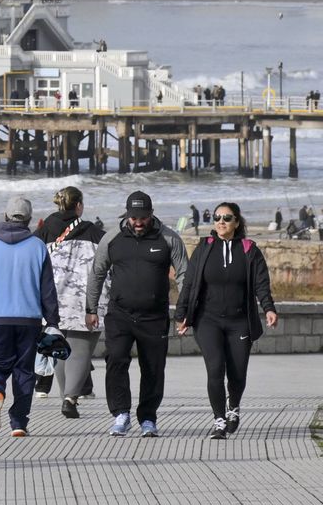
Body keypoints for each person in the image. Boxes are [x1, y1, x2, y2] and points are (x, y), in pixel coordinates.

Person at [86, 191, 187, 438]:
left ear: (151, 215)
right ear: (127, 215)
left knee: (153, 368)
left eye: (143, 217)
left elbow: (185, 275)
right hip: (119, 314)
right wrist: (91, 309)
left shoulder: (169, 238)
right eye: (134, 217)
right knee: (116, 360)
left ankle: (148, 418)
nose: (138, 222)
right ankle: (121, 413)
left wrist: (185, 311)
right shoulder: (112, 238)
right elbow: (97, 273)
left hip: (154, 317)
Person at [175, 203, 278, 439]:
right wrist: (181, 315)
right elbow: (189, 283)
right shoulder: (204, 247)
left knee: (238, 374)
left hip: (239, 321)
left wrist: (269, 308)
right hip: (207, 320)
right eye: (217, 217)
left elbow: (261, 283)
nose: (221, 222)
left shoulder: (249, 249)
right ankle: (219, 420)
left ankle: (234, 407)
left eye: (227, 218)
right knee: (215, 369)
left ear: (237, 222)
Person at [0, 196, 60, 438]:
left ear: (5, 216)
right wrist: (53, 321)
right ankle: (19, 422)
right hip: (29, 320)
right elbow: (47, 289)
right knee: (24, 371)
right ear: (29, 219)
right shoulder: (38, 246)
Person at [36, 187, 106, 420]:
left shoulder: (43, 232)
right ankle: (70, 398)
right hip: (83, 301)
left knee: (59, 351)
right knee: (81, 351)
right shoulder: (95, 233)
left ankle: (66, 394)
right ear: (79, 206)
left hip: (50, 302)